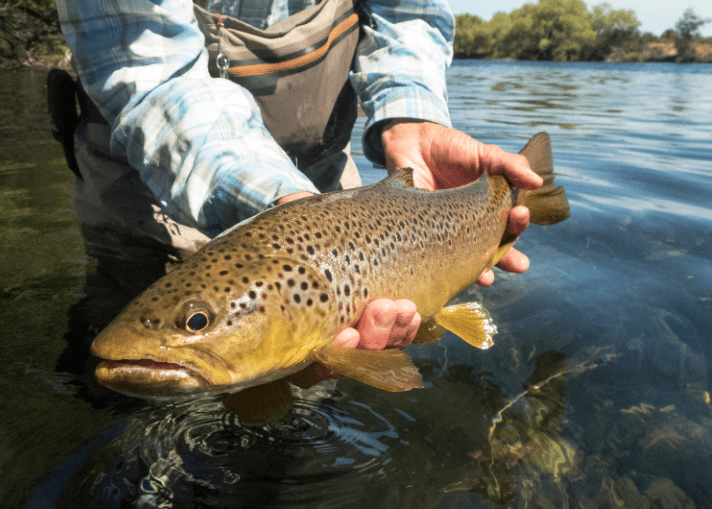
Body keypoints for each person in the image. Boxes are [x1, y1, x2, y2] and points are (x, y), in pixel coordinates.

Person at [52, 0, 541, 387]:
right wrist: (287, 203)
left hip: (323, 179)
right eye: (197, 321)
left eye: (197, 322)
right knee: (113, 380)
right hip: (150, 170)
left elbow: (408, 14)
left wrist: (411, 119)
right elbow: (148, 66)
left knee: (317, 382)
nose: (195, 325)